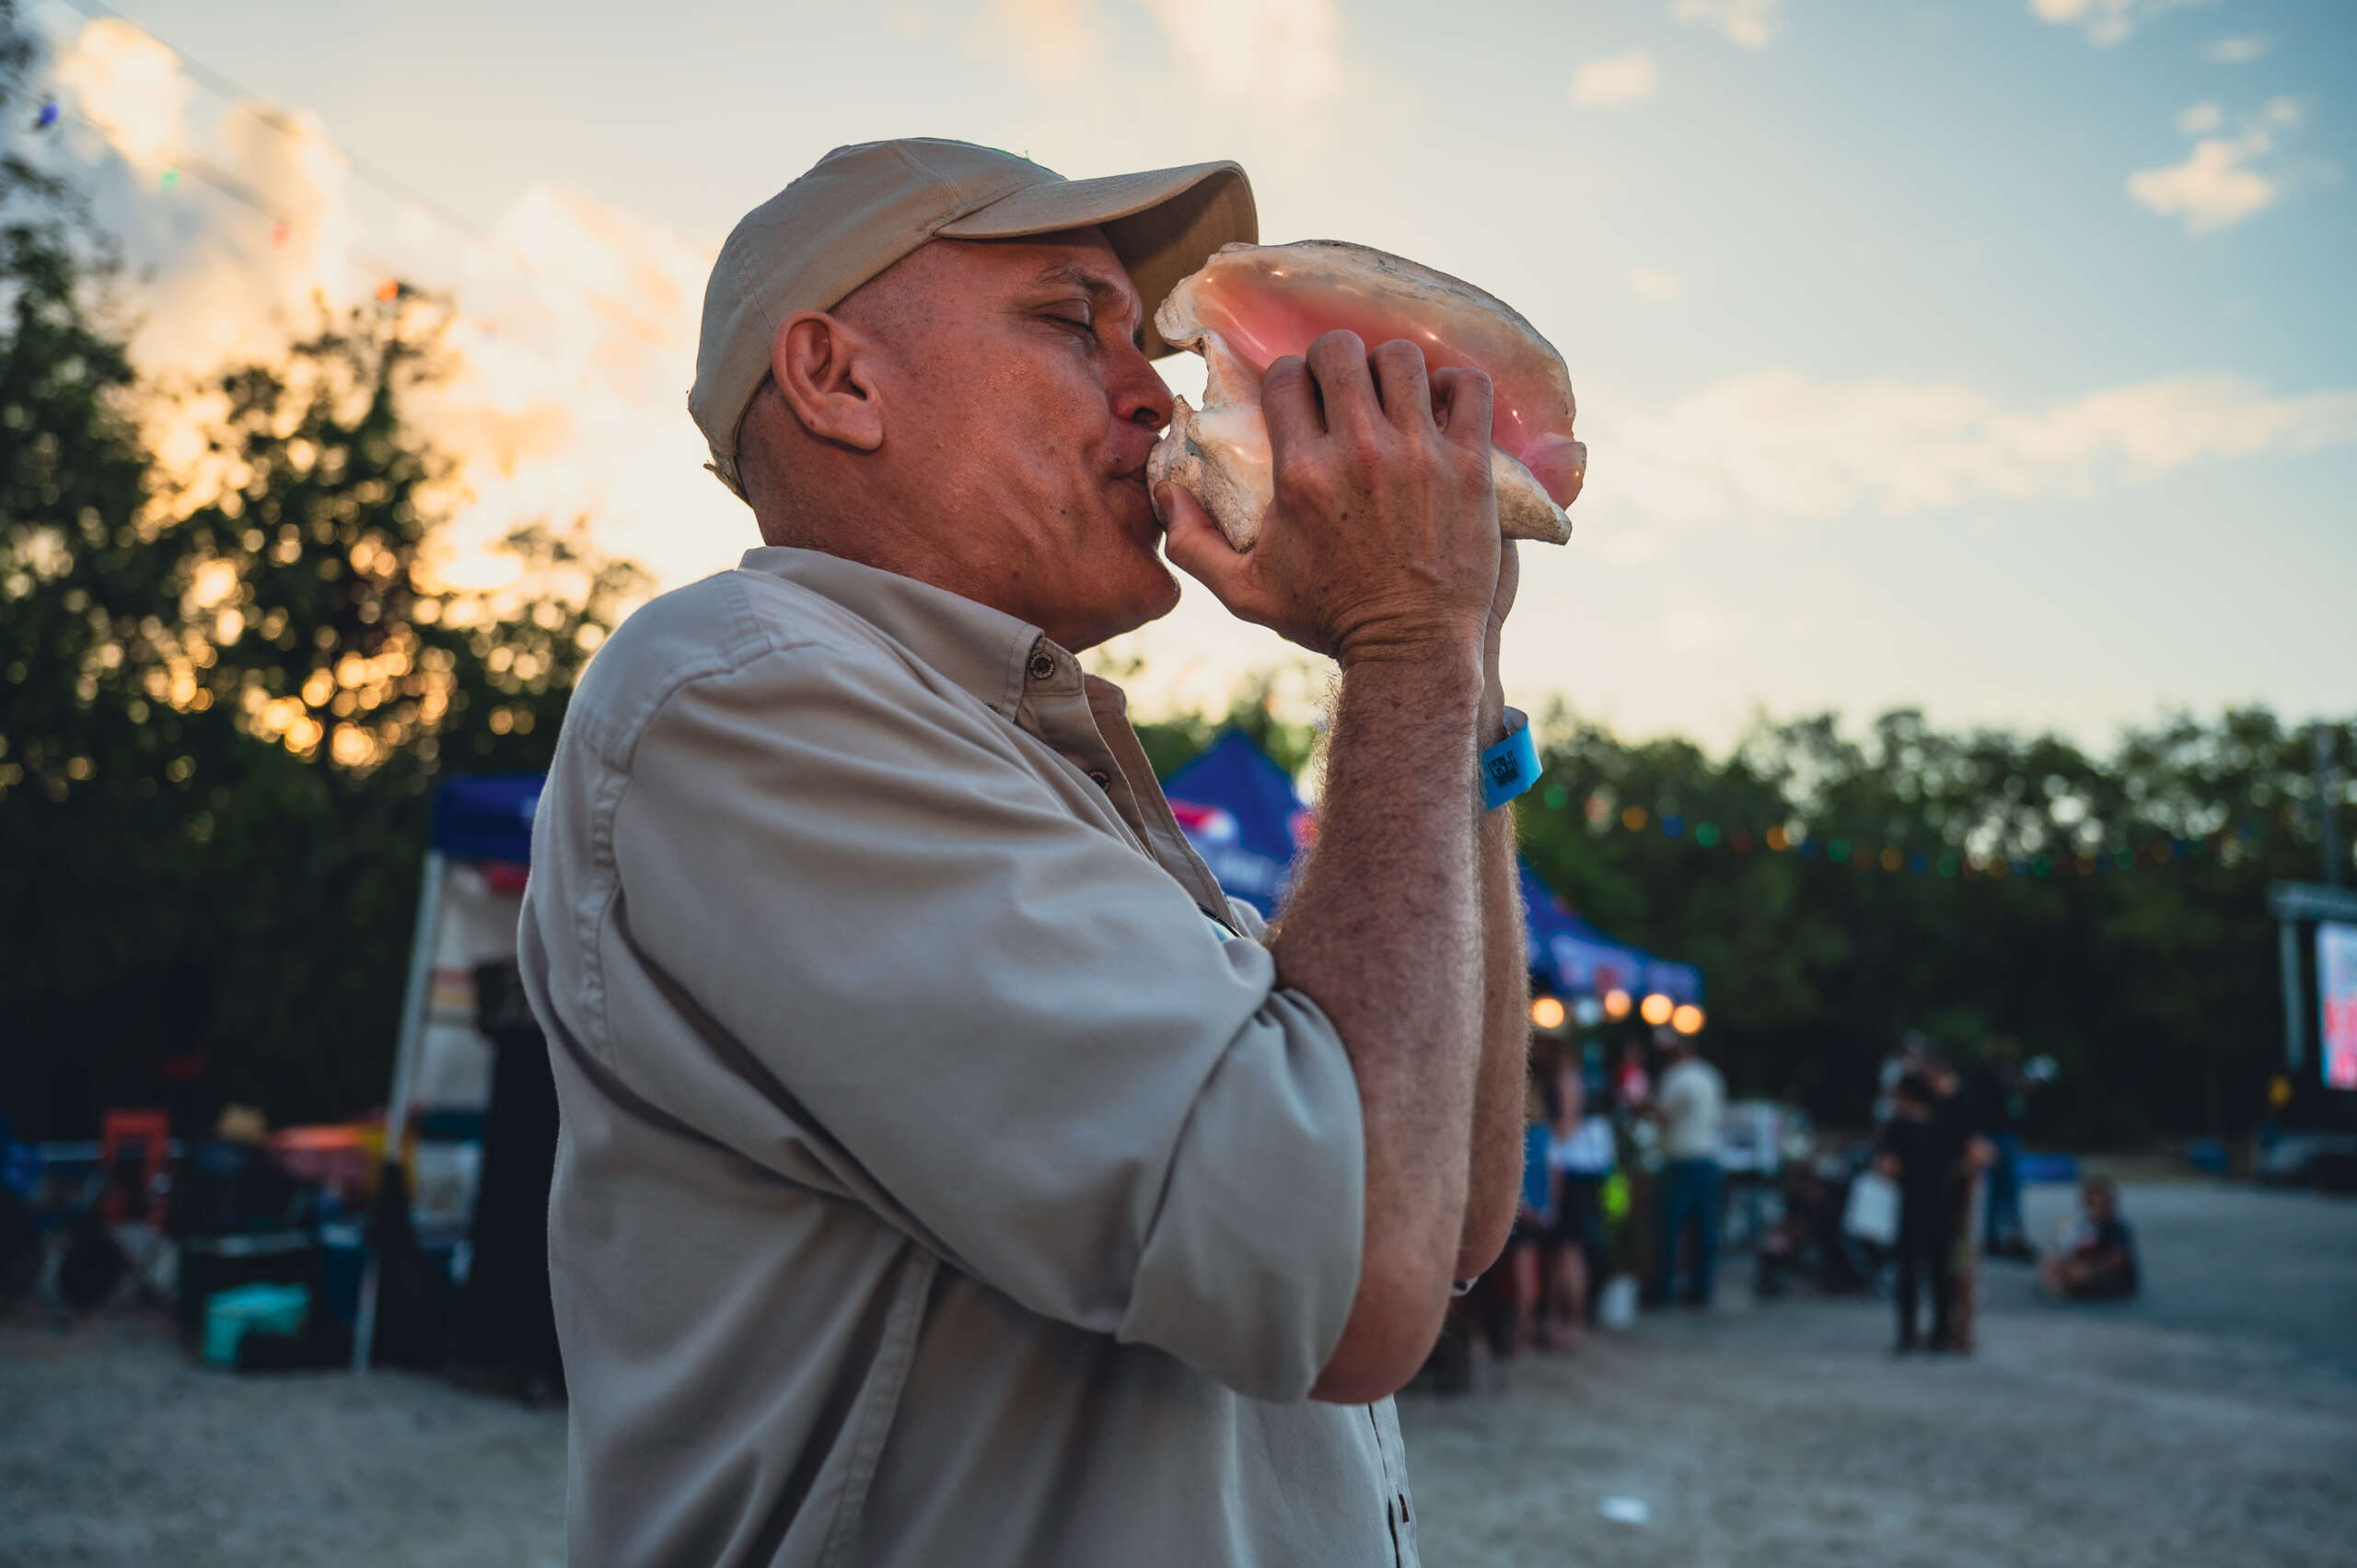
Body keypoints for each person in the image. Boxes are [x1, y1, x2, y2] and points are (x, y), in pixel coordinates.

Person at [518, 139, 1536, 1567]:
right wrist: (1404, 642)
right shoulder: (743, 691)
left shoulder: (1016, 756)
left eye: (1147, 339)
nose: (1156, 390)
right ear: (836, 379)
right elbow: (1354, 1274)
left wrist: (1465, 668)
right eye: (1074, 322)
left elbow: (1455, 1214)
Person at [1875, 1073, 1970, 1353]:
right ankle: (1941, 1332)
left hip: (1911, 1204)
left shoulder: (1899, 1127)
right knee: (1940, 1271)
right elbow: (1968, 1158)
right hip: (1943, 1203)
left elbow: (1889, 1168)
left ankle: (1906, 1334)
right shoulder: (1945, 1124)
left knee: (1909, 1273)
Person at [1649, 1026, 1725, 1307]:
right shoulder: (1709, 1074)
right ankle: (1701, 1290)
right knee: (1704, 1231)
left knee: (1669, 1229)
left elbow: (1662, 1115)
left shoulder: (1675, 1077)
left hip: (1680, 1160)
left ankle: (1665, 1291)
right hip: (1708, 1158)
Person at [1544, 1061, 1614, 1347]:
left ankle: (1571, 1322)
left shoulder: (1578, 1125)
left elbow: (1563, 1140)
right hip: (1584, 1187)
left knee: (1571, 1256)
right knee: (1565, 1256)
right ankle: (1561, 1319)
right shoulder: (1599, 1126)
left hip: (1574, 1187)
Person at [1962, 1042, 2031, 1259]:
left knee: (1997, 1189)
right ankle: (2010, 1236)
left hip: (1995, 1134)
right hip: (1999, 1135)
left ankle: (1996, 1236)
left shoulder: (1983, 1075)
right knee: (2007, 1188)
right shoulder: (1996, 1076)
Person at [2038, 1175, 2140, 1301]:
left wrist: (2090, 1269)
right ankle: (2057, 1291)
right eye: (2095, 1205)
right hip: (2087, 1269)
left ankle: (2065, 1292)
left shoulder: (2117, 1229)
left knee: (2078, 1273)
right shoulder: (2083, 1227)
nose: (2100, 1210)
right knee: (2051, 1261)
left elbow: (2117, 1259)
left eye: (2105, 1205)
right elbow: (2068, 1249)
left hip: (2111, 1278)